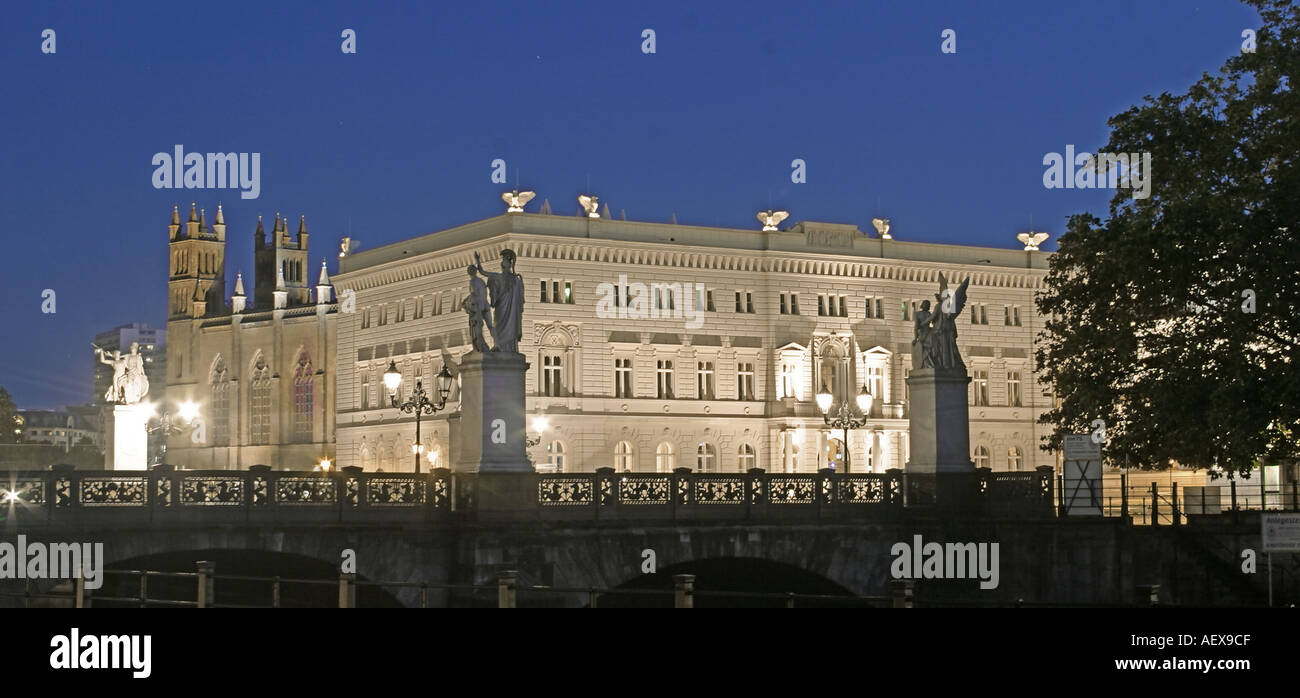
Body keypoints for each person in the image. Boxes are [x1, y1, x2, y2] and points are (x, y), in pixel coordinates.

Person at [472, 249, 524, 352]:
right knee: (497, 325)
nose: (502, 261)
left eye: (504, 260)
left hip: (512, 310)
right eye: (502, 260)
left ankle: (508, 349)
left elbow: (519, 300)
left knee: (509, 327)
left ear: (509, 264)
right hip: (501, 307)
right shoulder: (498, 277)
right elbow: (483, 272)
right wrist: (478, 261)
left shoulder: (515, 280)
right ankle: (499, 346)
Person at [461, 266, 491, 352]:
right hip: (476, 309)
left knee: (476, 330)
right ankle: (478, 347)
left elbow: (476, 296)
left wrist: (466, 302)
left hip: (476, 310)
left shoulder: (475, 281)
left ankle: (480, 347)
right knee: (476, 330)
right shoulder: (480, 281)